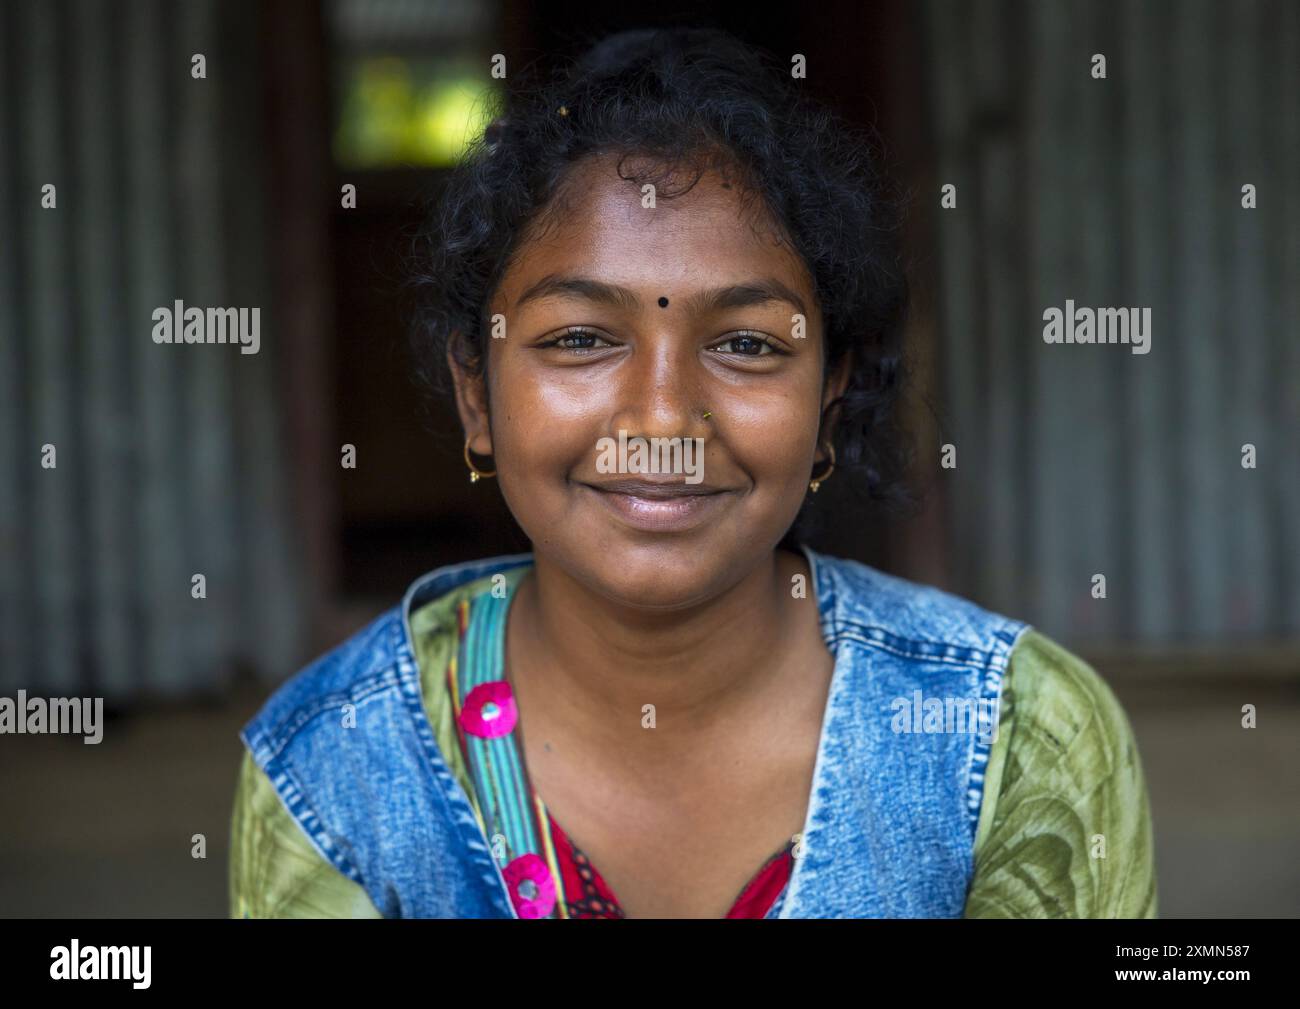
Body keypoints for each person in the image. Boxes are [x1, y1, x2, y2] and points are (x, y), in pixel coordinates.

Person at [229, 27, 1156, 919]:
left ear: (829, 399)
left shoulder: (1020, 737)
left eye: (747, 343)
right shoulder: (331, 769)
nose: (664, 415)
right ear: (478, 394)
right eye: (582, 338)